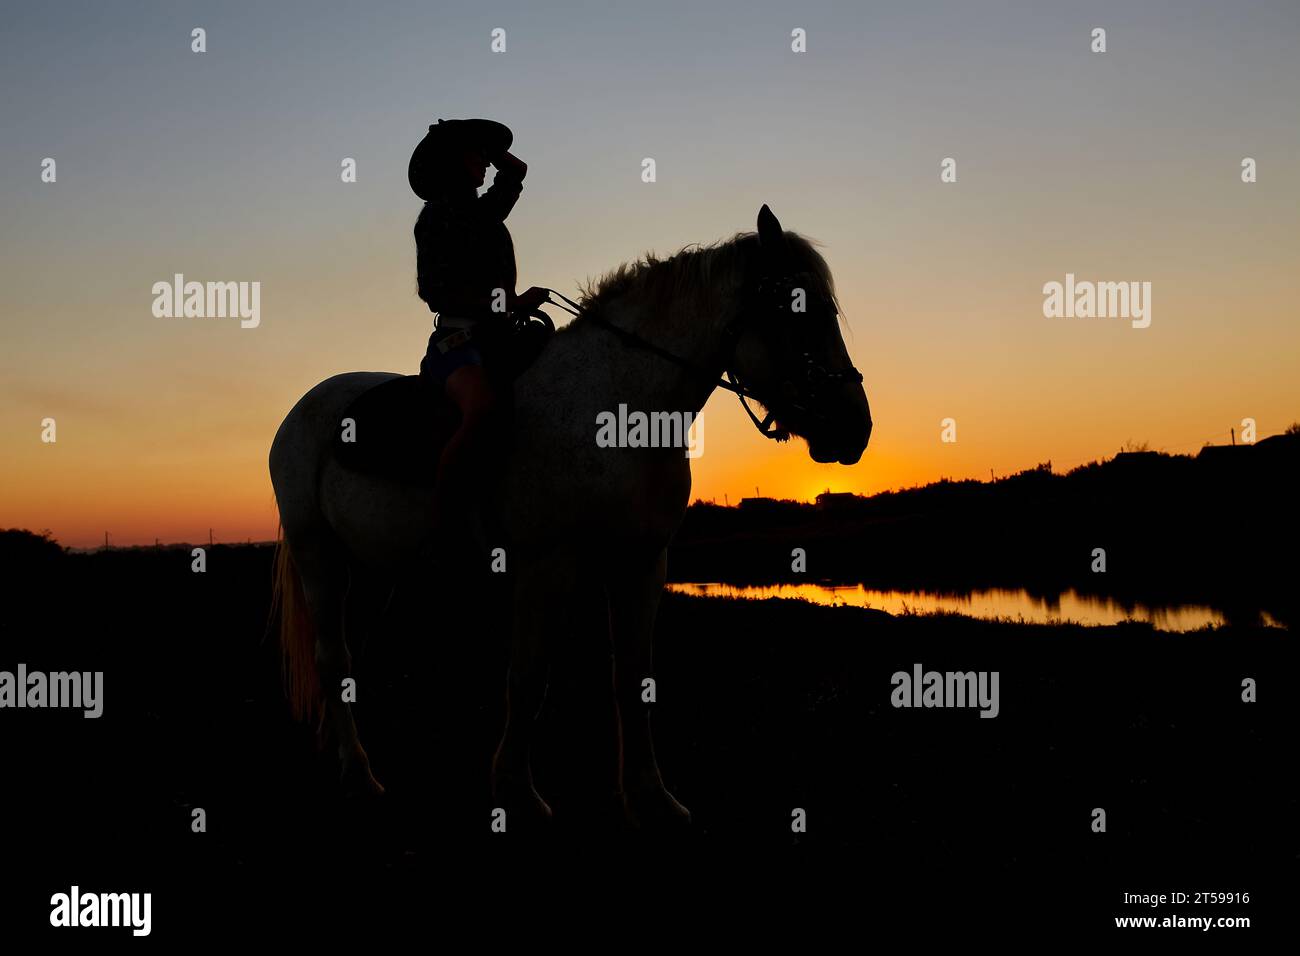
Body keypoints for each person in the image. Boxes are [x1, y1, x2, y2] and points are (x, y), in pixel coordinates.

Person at [409, 119, 548, 542]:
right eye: (475, 156)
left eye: (484, 157)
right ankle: (442, 526)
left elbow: (516, 172)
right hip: (458, 342)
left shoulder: (483, 214)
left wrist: (483, 144)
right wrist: (512, 303)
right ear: (453, 163)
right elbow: (437, 292)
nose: (485, 164)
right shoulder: (436, 216)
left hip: (500, 339)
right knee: (483, 408)